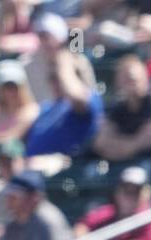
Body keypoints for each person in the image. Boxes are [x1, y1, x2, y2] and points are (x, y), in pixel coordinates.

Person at [25, 12, 103, 158]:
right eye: (41, 37)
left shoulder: (75, 60)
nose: (45, 42)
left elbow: (80, 97)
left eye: (47, 36)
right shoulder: (32, 63)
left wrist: (64, 64)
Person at [92, 54, 151, 161]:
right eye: (125, 80)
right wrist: (122, 149)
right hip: (133, 160)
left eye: (133, 79)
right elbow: (101, 141)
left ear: (145, 78)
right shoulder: (120, 105)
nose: (129, 84)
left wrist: (124, 148)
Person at [1, 170, 73, 240]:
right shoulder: (14, 222)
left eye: (14, 197)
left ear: (32, 198)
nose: (8, 200)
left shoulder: (46, 219)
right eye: (8, 196)